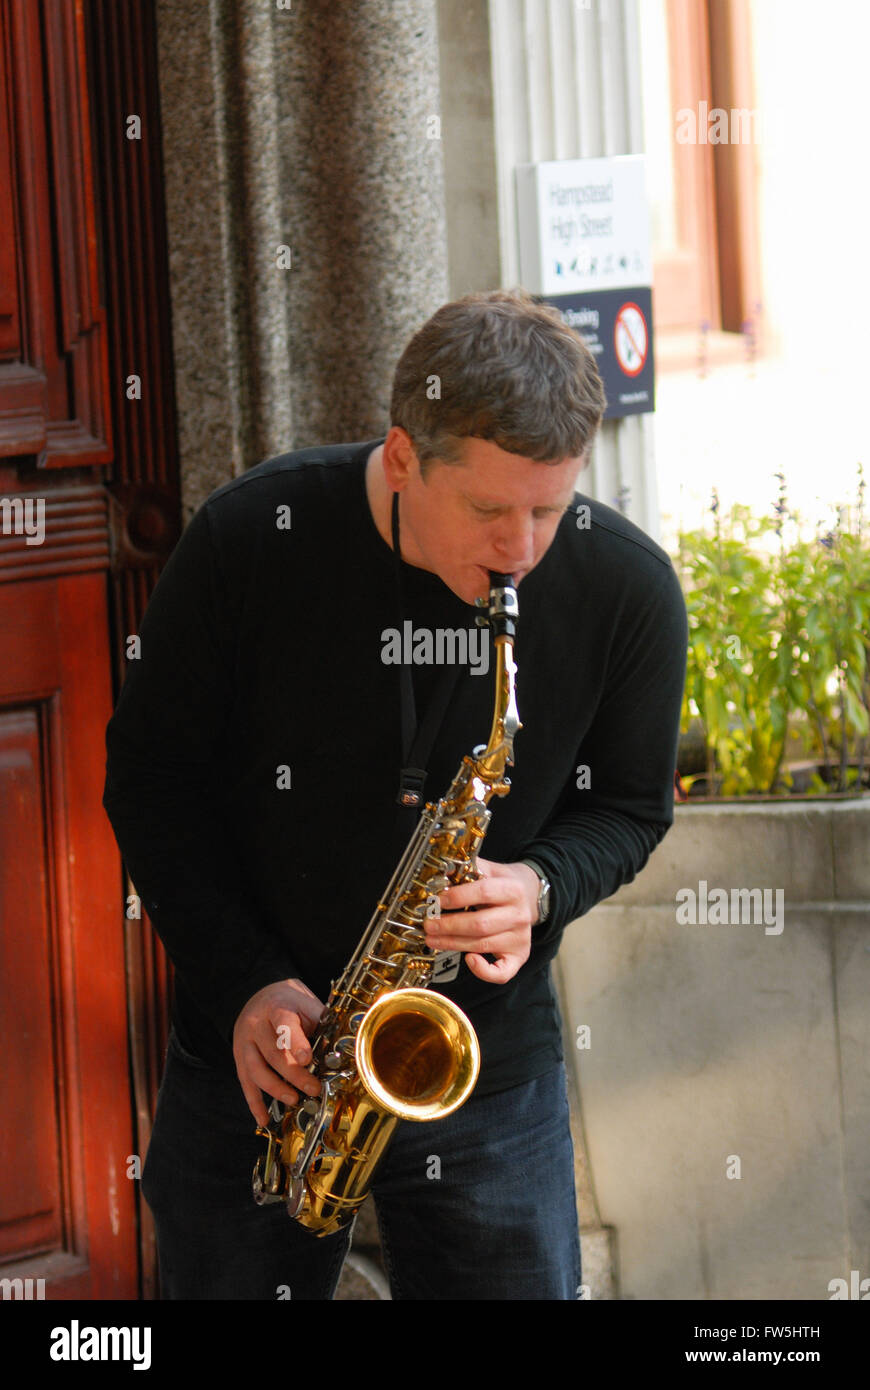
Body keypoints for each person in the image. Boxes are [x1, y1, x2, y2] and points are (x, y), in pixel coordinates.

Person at [103, 288, 688, 1301]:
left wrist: (541, 884)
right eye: (490, 509)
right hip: (259, 1061)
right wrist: (245, 979)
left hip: (482, 1068)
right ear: (407, 455)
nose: (523, 551)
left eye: (550, 508)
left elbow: (633, 808)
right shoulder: (252, 538)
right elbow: (150, 782)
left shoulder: (624, 587)